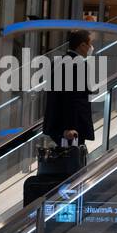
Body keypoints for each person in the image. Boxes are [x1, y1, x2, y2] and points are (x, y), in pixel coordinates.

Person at [42, 29, 97, 164]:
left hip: (59, 125)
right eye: (90, 44)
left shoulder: (59, 61)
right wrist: (69, 127)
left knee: (67, 162)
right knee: (73, 164)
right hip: (72, 128)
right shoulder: (77, 65)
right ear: (82, 46)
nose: (92, 48)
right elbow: (72, 97)